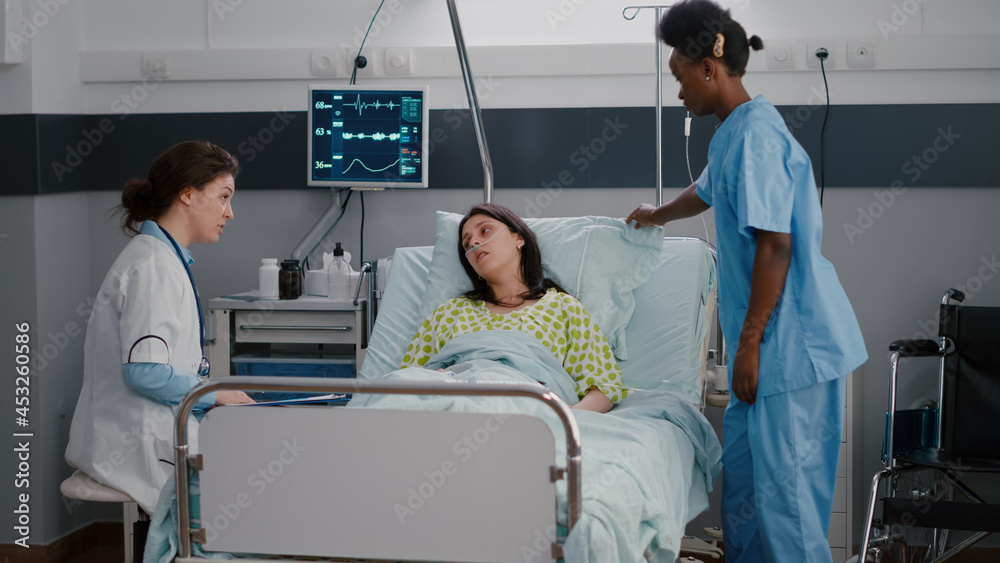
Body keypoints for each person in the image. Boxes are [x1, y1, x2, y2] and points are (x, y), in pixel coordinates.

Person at [626, 1, 867, 561]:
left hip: (790, 350)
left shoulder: (758, 136)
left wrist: (751, 344)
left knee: (788, 511)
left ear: (707, 68)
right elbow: (706, 192)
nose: (678, 92)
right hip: (761, 354)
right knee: (747, 500)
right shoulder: (732, 133)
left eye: (679, 77)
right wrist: (656, 213)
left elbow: (775, 243)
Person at [65, 140, 254, 515]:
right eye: (222, 197)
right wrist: (215, 394)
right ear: (188, 194)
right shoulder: (154, 266)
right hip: (135, 442)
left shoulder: (164, 258)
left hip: (149, 426)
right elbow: (145, 372)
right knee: (241, 498)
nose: (229, 213)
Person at [400, 203, 627, 413]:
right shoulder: (451, 312)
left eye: (485, 231)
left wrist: (563, 420)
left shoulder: (562, 307)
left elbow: (604, 386)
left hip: (523, 409)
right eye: (467, 244)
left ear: (519, 238)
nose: (474, 243)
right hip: (452, 405)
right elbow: (405, 381)